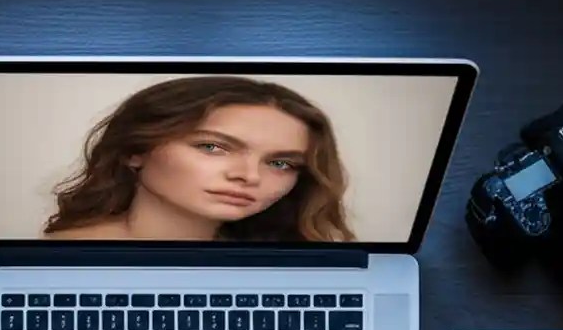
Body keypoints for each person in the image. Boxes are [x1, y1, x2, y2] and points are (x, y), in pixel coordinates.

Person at [42, 75, 355, 241]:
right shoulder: (56, 261)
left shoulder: (295, 271)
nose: (249, 176)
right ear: (134, 151)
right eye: (212, 147)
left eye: (280, 163)